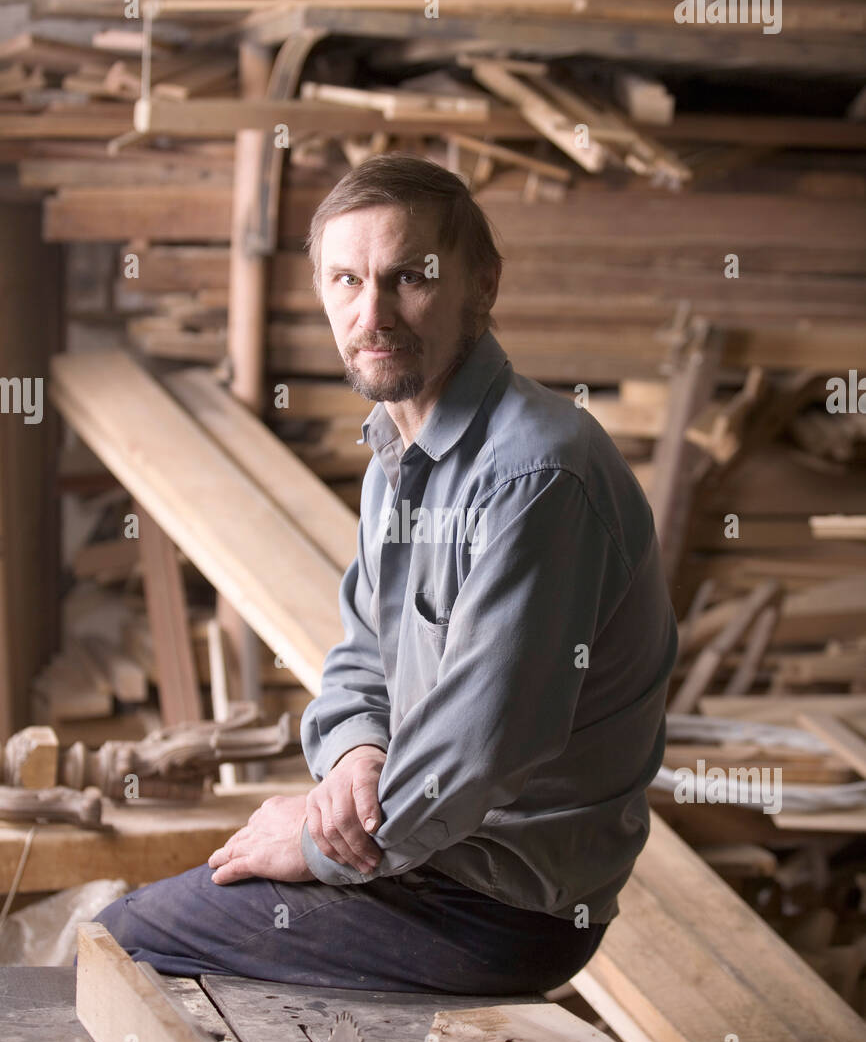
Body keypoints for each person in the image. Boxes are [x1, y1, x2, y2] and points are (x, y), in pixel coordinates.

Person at [93, 154, 678, 995]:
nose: (372, 314)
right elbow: (363, 657)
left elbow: (480, 749)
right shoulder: (394, 456)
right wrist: (358, 754)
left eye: (409, 278)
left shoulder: (537, 475)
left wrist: (309, 842)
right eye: (346, 280)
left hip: (496, 908)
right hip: (426, 857)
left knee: (124, 942)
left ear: (482, 285)